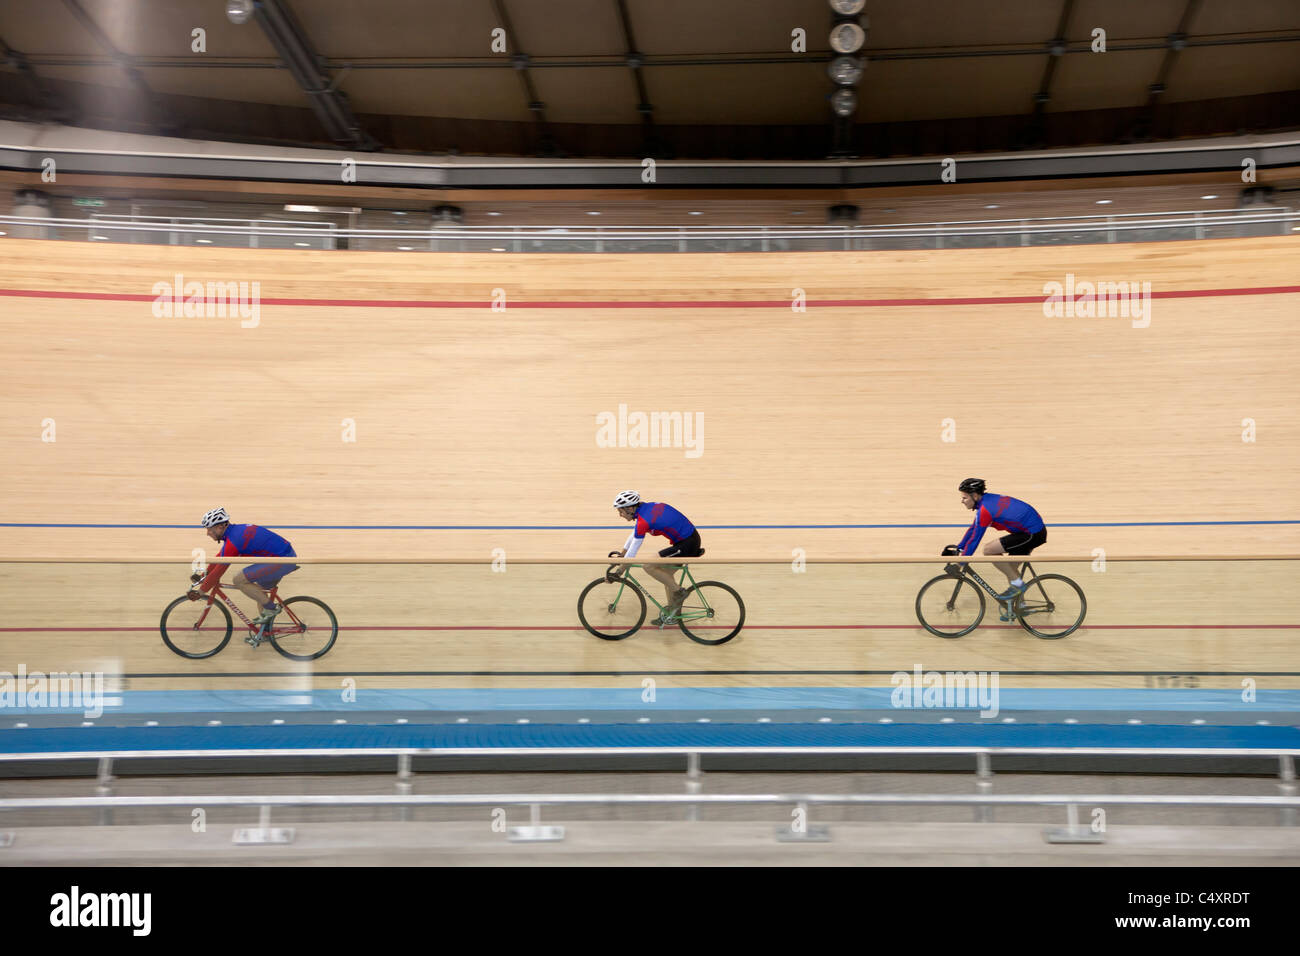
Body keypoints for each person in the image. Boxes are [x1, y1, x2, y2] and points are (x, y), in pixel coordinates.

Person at [190, 508, 299, 630]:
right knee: (260, 594)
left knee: (239, 579)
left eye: (210, 529)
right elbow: (219, 558)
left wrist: (200, 592)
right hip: (284, 556)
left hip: (282, 560)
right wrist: (203, 575)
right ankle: (264, 632)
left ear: (220, 527)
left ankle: (272, 609)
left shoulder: (234, 541)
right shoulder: (234, 533)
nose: (207, 533)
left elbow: (218, 572)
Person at [952, 478, 1047, 614]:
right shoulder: (986, 502)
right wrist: (959, 548)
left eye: (964, 497)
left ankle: (1018, 586)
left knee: (988, 550)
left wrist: (961, 562)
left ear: (974, 496)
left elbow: (975, 540)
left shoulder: (985, 510)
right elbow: (973, 528)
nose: (962, 501)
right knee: (1010, 569)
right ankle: (1021, 607)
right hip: (1029, 531)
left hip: (1032, 533)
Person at [610, 491, 702, 623]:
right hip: (688, 540)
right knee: (666, 577)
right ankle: (673, 615)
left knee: (648, 565)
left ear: (630, 508)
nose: (620, 515)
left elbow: (633, 552)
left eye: (621, 511)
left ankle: (680, 592)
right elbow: (634, 534)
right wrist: (622, 554)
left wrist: (619, 572)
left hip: (687, 544)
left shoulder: (644, 520)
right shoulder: (645, 510)